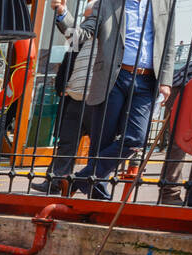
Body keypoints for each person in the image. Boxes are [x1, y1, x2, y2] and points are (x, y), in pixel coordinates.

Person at [72, 0, 175, 201]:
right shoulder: (108, 2)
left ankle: (80, 179)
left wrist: (166, 80)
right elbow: (82, 34)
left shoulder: (165, 3)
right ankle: (97, 200)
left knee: (136, 139)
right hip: (114, 78)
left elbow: (169, 42)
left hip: (147, 80)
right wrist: (61, 14)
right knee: (102, 141)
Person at [31, 0, 99, 195]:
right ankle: (56, 181)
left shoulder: (112, 40)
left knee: (98, 146)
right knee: (67, 142)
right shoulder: (82, 37)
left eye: (90, 18)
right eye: (86, 18)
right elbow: (69, 49)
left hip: (98, 99)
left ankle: (91, 184)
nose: (87, 21)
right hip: (75, 97)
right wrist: (63, 87)